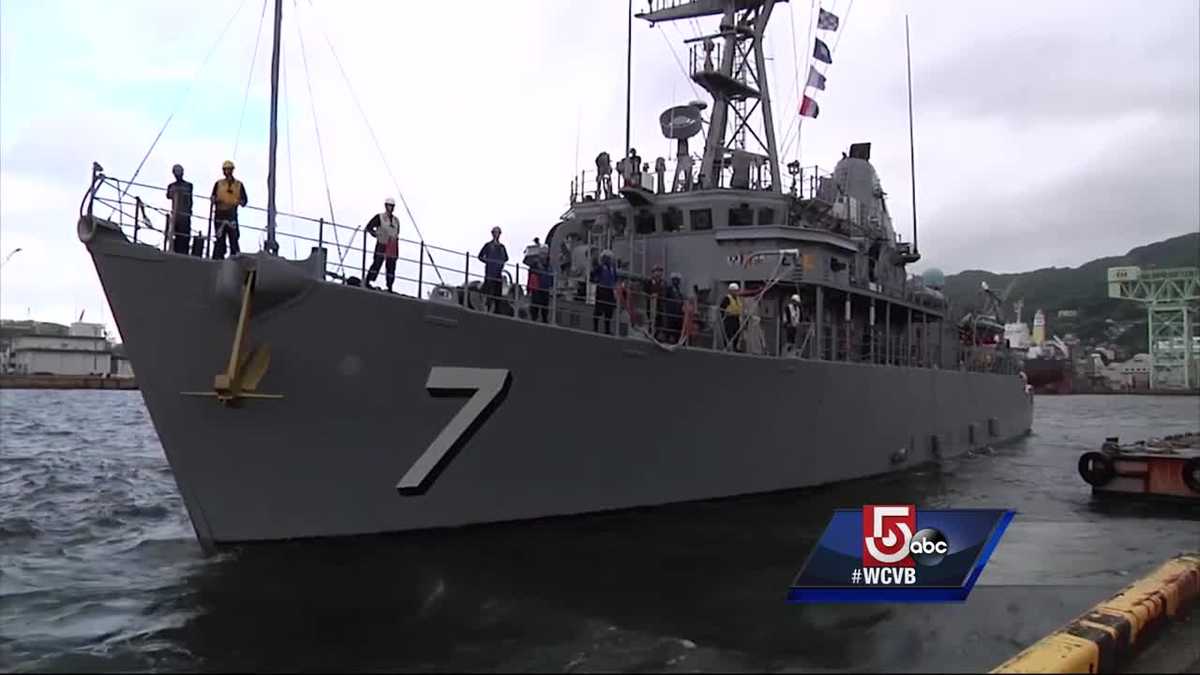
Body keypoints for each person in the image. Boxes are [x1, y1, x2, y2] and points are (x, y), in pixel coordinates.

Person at [210, 160, 248, 260]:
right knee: (219, 237)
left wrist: (239, 202)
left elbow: (244, 201)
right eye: (226, 170)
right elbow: (213, 197)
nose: (228, 172)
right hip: (220, 213)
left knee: (234, 237)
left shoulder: (239, 184)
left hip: (232, 213)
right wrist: (215, 200)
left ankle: (234, 258)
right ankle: (218, 258)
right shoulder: (218, 184)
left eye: (229, 169)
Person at [365, 197, 401, 292]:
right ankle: (368, 281)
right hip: (382, 243)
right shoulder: (379, 217)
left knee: (391, 266)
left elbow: (397, 232)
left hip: (392, 245)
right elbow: (369, 227)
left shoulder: (396, 220)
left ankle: (390, 286)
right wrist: (376, 234)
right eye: (389, 206)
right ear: (386, 206)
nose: (391, 208)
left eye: (392, 206)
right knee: (377, 262)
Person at [478, 226, 509, 313]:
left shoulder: (502, 247)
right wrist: (488, 262)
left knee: (498, 293)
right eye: (495, 232)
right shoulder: (488, 245)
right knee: (489, 292)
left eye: (498, 232)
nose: (496, 234)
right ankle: (487, 309)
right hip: (490, 272)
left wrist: (500, 264)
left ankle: (497, 310)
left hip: (498, 272)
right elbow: (480, 256)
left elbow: (506, 258)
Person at [165, 164, 193, 254]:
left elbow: (190, 199)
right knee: (174, 236)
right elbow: (168, 195)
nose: (178, 174)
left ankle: (183, 253)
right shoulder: (171, 186)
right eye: (176, 172)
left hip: (185, 215)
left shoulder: (188, 185)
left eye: (179, 171)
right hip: (175, 215)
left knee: (184, 237)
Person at [591, 249, 618, 334]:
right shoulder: (600, 267)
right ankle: (595, 328)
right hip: (601, 289)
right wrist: (596, 279)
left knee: (609, 311)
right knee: (598, 310)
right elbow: (593, 274)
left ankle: (607, 330)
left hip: (610, 290)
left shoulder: (613, 269)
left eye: (609, 258)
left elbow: (615, 278)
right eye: (607, 258)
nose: (609, 260)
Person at [527, 251, 553, 323]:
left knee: (545, 307)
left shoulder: (549, 267)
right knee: (535, 305)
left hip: (545, 289)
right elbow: (531, 276)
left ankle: (544, 319)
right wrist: (528, 288)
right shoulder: (535, 266)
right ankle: (534, 318)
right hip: (537, 289)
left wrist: (551, 285)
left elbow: (551, 277)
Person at [719, 282, 744, 352]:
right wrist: (724, 315)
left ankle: (735, 347)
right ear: (731, 291)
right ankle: (726, 347)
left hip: (736, 318)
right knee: (728, 333)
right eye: (735, 290)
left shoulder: (738, 298)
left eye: (737, 290)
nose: (736, 292)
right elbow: (721, 308)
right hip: (729, 318)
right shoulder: (727, 298)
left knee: (737, 333)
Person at [662, 272, 684, 343]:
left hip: (676, 313)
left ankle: (673, 338)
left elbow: (681, 301)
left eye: (677, 280)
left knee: (675, 327)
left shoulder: (679, 292)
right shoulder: (669, 289)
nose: (676, 281)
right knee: (668, 326)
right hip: (670, 312)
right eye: (675, 279)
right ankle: (666, 338)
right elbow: (664, 298)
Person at [643, 265, 664, 336]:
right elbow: (645, 291)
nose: (658, 273)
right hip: (651, 303)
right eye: (657, 271)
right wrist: (651, 295)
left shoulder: (662, 283)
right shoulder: (648, 281)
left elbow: (663, 292)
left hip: (659, 304)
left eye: (660, 271)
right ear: (653, 272)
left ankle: (656, 334)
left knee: (659, 319)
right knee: (650, 317)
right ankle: (649, 332)